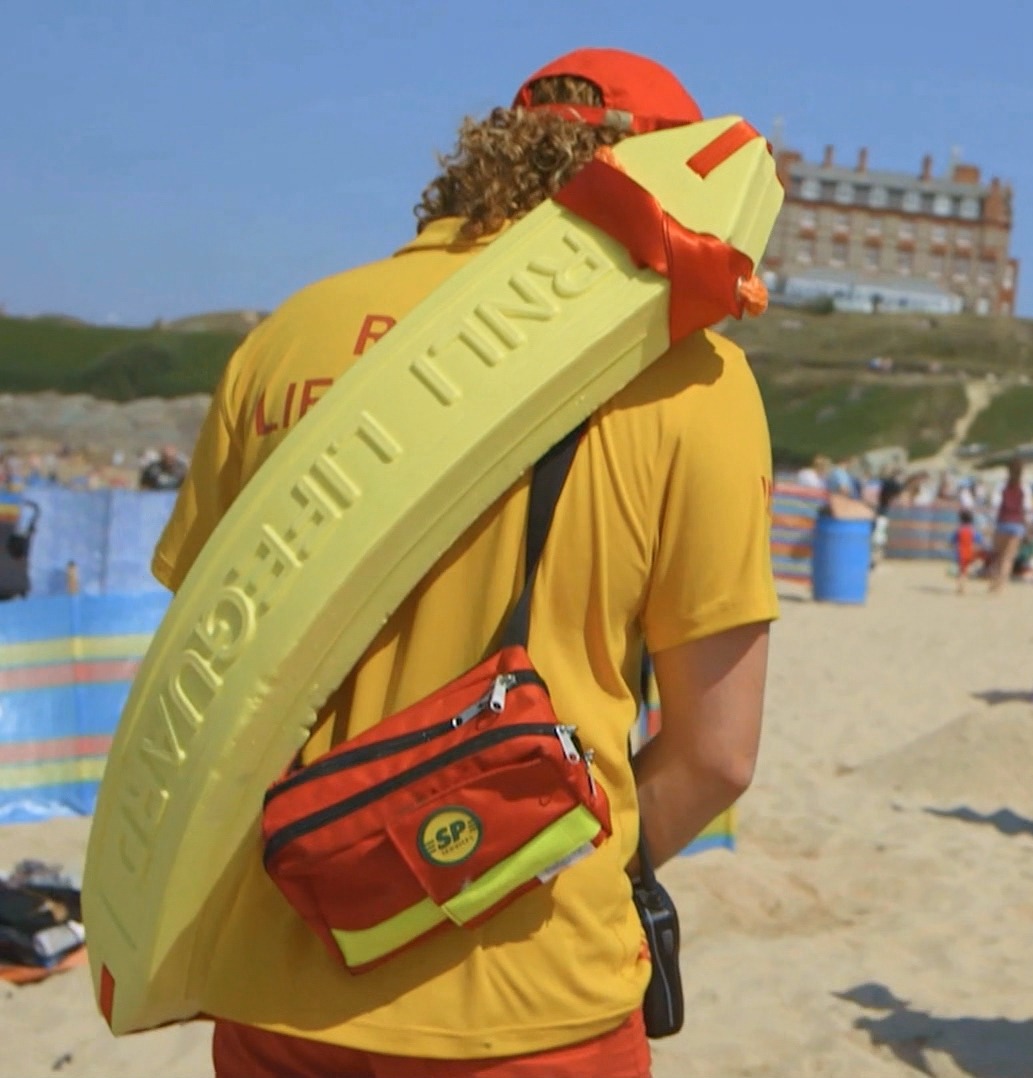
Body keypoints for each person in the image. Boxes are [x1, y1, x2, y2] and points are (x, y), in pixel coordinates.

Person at [151, 48, 776, 1078]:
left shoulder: (283, 337)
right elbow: (719, 754)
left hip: (281, 968)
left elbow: (193, 680)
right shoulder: (691, 375)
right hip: (529, 995)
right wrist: (546, 865)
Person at [986, 458, 1033, 593]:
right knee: (1008, 557)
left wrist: (991, 523)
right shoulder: (1025, 487)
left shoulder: (1001, 486)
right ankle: (1001, 584)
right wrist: (1029, 527)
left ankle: (993, 582)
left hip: (1003, 521)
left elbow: (994, 505)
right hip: (1017, 524)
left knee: (997, 555)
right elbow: (1027, 509)